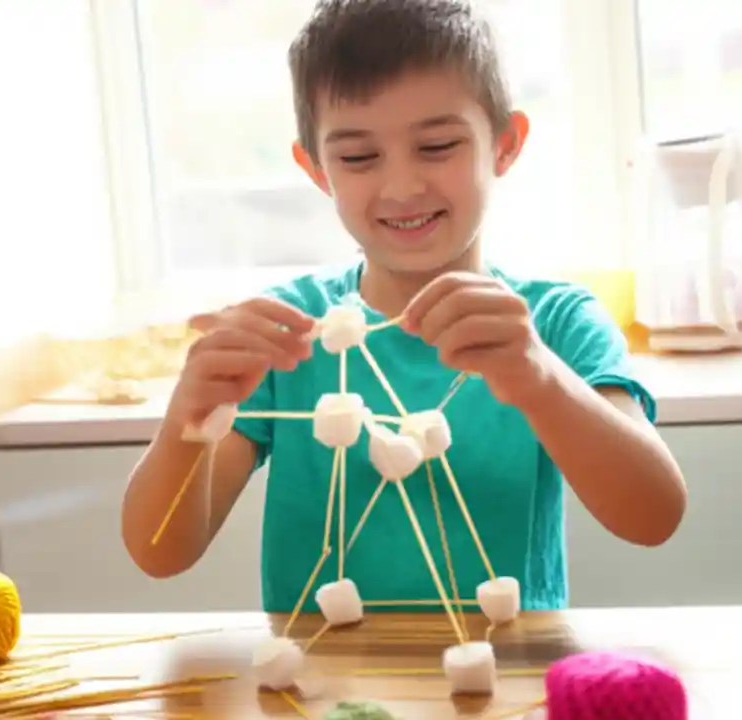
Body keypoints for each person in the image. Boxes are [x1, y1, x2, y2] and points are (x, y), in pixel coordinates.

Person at [121, 0, 686, 614]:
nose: (402, 187)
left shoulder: (553, 324)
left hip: (505, 687)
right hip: (318, 695)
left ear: (504, 145)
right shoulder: (288, 334)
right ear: (316, 169)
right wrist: (190, 417)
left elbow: (654, 518)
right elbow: (159, 553)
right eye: (359, 158)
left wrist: (539, 378)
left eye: (438, 145)